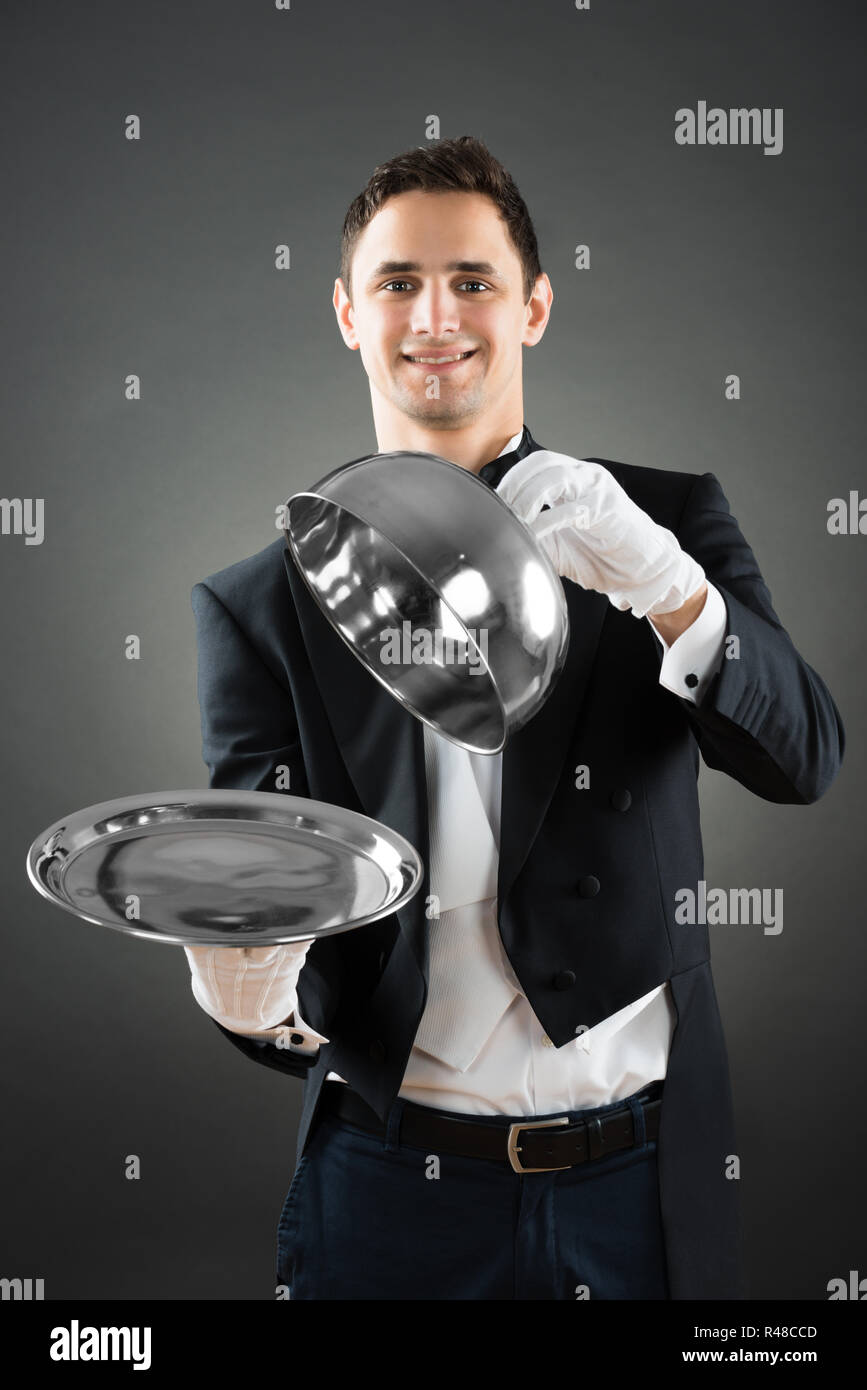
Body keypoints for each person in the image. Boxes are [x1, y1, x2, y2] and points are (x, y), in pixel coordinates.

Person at [183, 135, 844, 1300]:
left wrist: (667, 584)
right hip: (387, 1190)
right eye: (398, 281)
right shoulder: (258, 605)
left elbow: (807, 759)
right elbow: (274, 948)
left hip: (638, 1185)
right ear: (347, 313)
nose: (436, 315)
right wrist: (246, 990)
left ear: (534, 306)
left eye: (473, 280)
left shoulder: (657, 518)